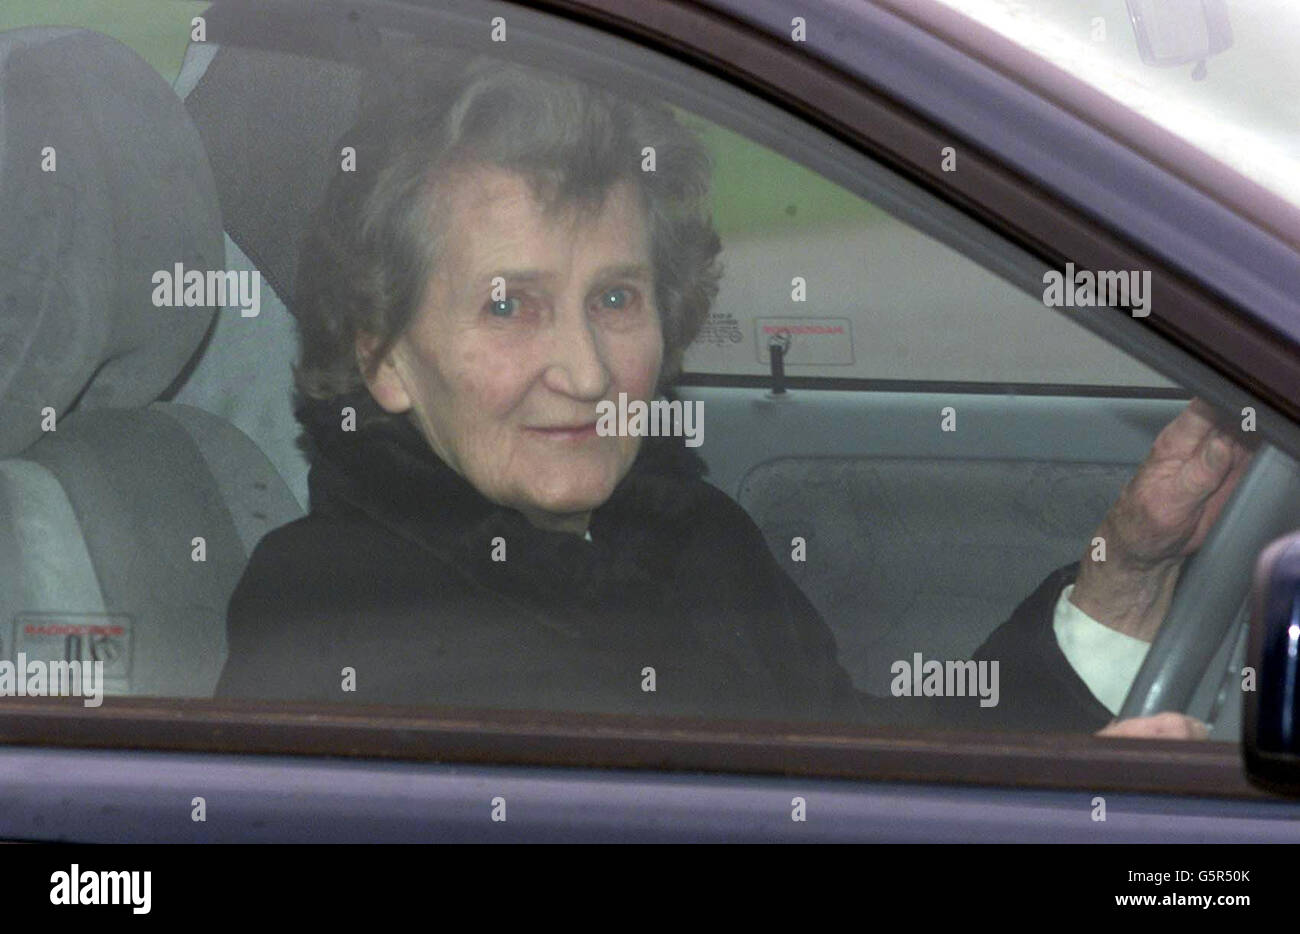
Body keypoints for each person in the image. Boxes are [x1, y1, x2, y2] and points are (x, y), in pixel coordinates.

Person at [215, 50, 1235, 736]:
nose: (583, 370)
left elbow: (872, 768)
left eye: (614, 296)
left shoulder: (686, 536)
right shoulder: (330, 612)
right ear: (384, 356)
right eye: (506, 305)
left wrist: (1125, 566)